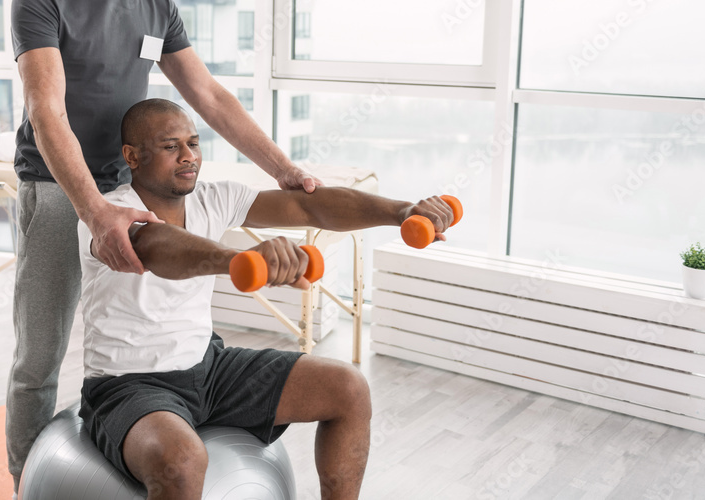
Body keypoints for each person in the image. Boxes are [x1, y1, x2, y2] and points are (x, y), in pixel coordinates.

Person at [6, 0, 321, 493]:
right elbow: (48, 110)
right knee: (40, 357)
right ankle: (23, 482)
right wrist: (96, 210)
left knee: (146, 337)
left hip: (133, 188)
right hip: (60, 189)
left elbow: (208, 95)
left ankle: (159, 418)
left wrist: (283, 168)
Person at [76, 99, 457, 500]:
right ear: (132, 156)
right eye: (171, 147)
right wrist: (241, 260)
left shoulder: (211, 199)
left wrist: (403, 211)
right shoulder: (108, 216)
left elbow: (309, 206)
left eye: (194, 143)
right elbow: (156, 246)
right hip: (128, 384)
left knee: (348, 388)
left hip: (209, 369)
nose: (189, 157)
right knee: (183, 461)